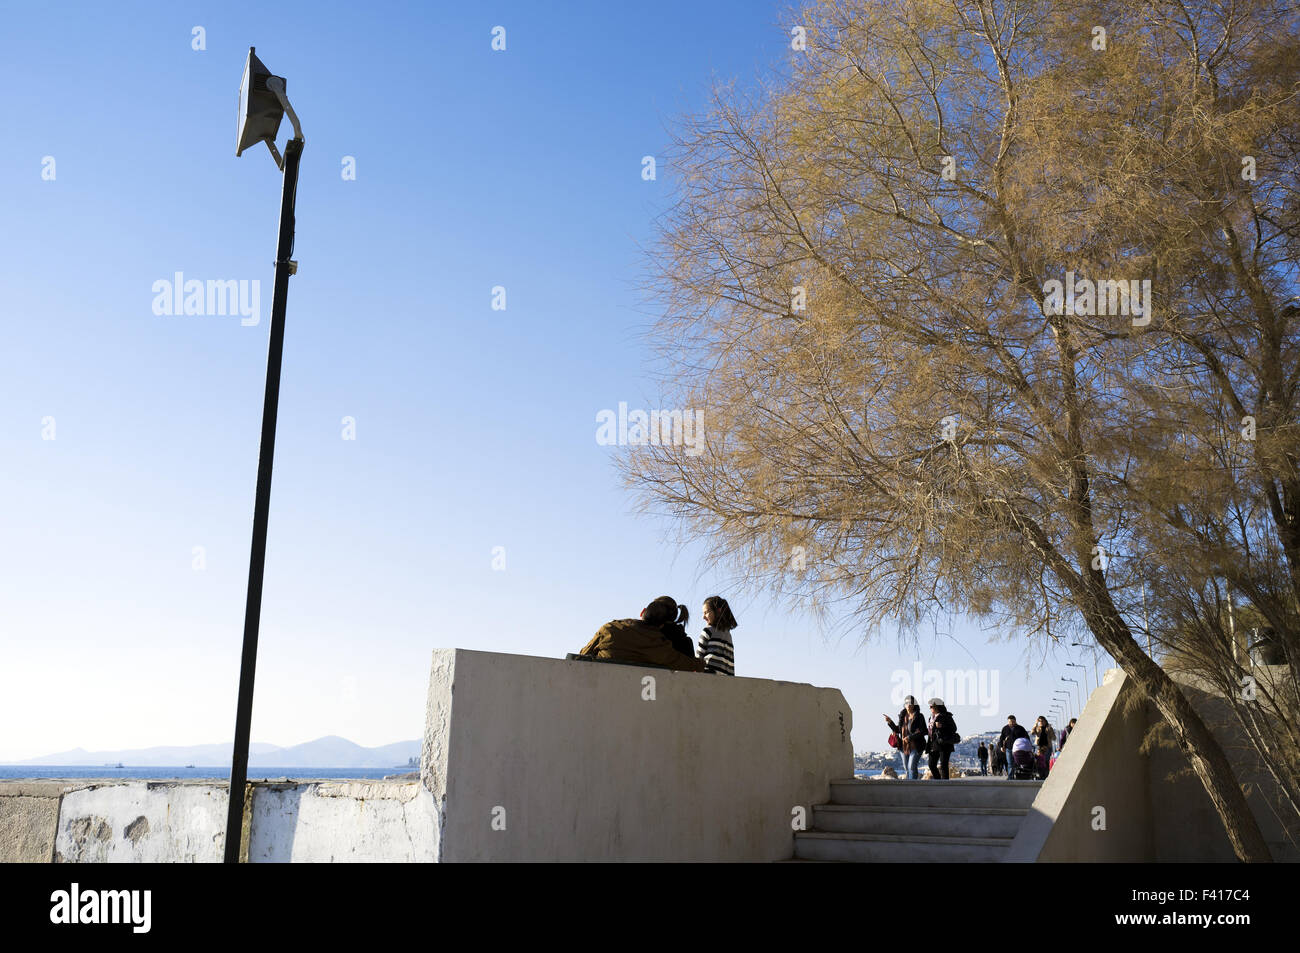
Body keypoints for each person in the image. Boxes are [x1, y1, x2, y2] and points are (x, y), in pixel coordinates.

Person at [577, 596, 705, 672]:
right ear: (662, 625)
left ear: (642, 611)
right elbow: (690, 665)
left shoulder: (609, 628)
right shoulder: (660, 646)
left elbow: (581, 657)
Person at [885, 696, 927, 779]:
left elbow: (923, 731)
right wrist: (890, 722)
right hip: (903, 747)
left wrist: (910, 737)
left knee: (911, 766)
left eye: (910, 703)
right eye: (906, 703)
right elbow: (898, 730)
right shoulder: (902, 716)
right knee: (906, 768)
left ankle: (913, 786)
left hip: (916, 745)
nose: (908, 705)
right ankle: (909, 785)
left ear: (914, 704)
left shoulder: (919, 716)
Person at [697, 595, 737, 676]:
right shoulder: (728, 635)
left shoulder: (707, 631)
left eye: (706, 612)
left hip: (708, 676)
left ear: (718, 611)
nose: (703, 617)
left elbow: (698, 659)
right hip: (725, 680)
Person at [926, 698, 959, 780]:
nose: (930, 708)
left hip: (944, 744)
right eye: (929, 706)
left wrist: (941, 726)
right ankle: (938, 781)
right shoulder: (931, 718)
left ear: (937, 707)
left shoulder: (946, 716)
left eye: (931, 706)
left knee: (944, 764)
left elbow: (954, 728)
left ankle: (945, 784)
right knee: (931, 764)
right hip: (933, 744)